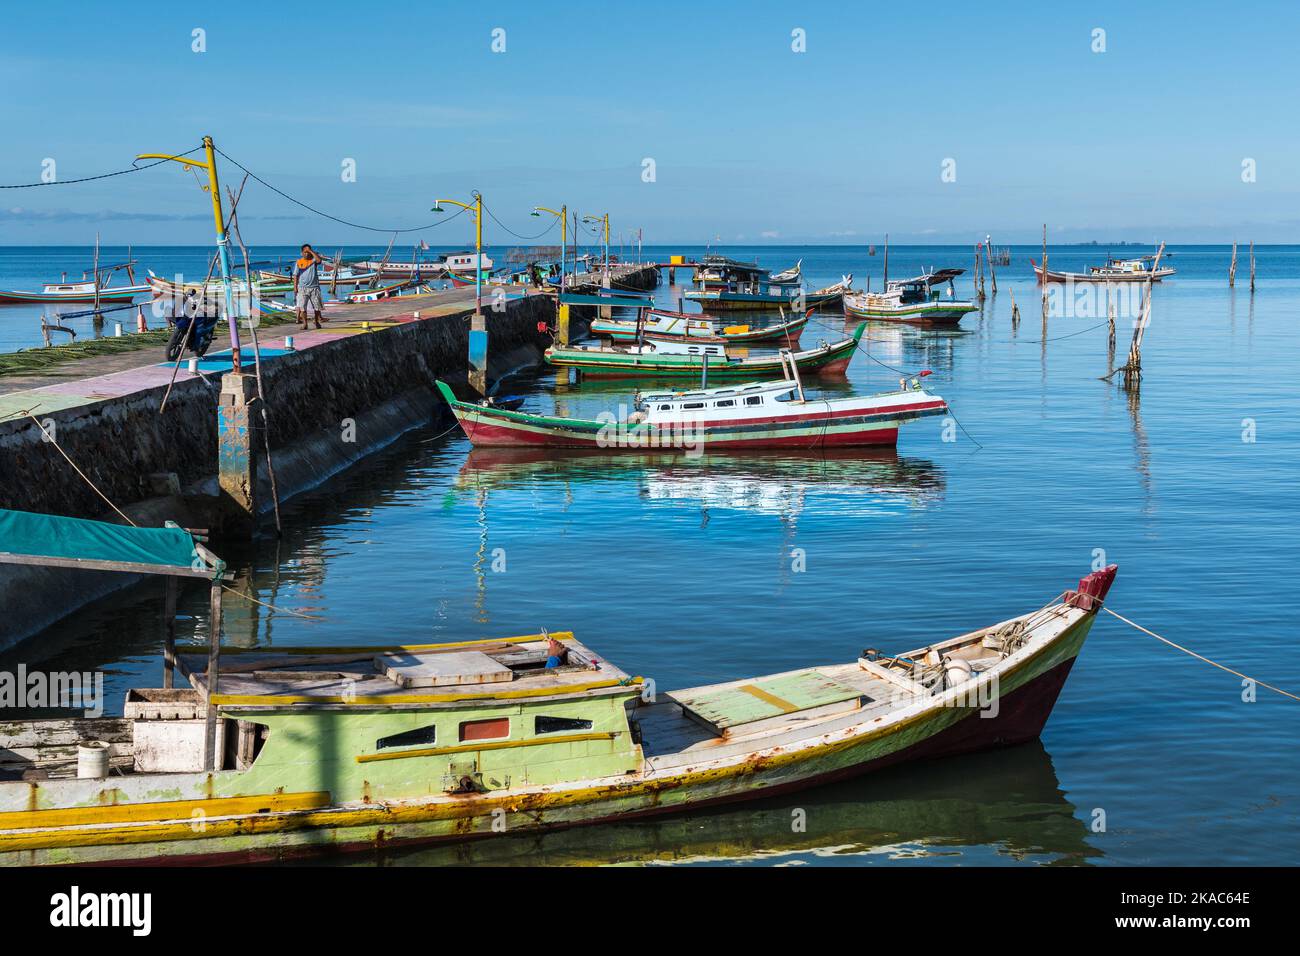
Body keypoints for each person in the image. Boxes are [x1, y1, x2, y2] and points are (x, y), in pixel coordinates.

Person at [293, 244, 326, 330]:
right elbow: (296, 275)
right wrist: (295, 287)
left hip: (314, 287)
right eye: (305, 252)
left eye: (308, 252)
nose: (307, 254)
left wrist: (311, 251)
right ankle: (305, 323)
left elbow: (319, 260)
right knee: (302, 307)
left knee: (317, 307)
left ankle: (316, 321)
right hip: (302, 288)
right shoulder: (299, 262)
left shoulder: (313, 260)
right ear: (302, 253)